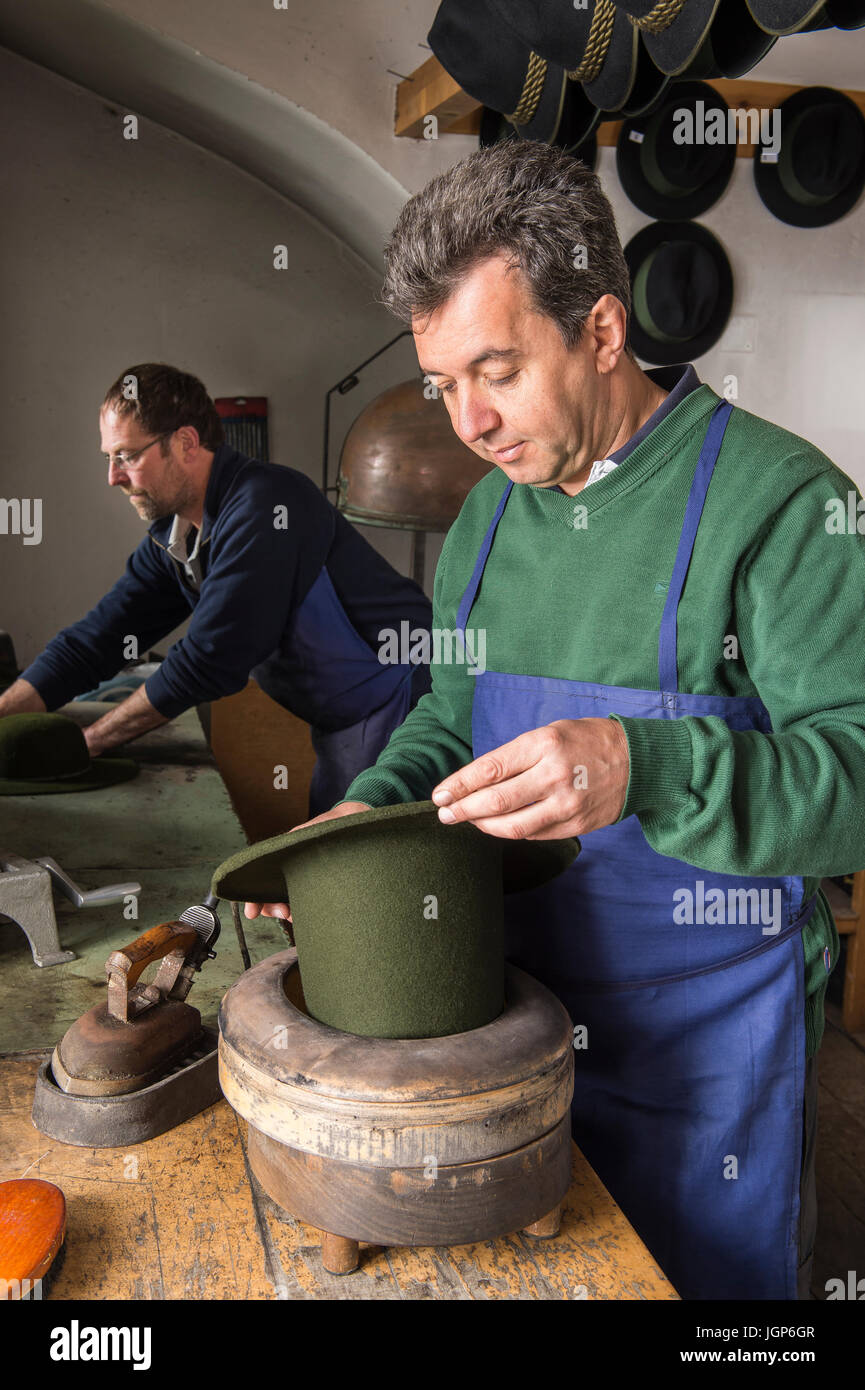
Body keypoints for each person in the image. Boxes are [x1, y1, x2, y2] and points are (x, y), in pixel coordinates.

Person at [248, 141, 865, 1300]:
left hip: (707, 1053)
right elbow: (448, 713)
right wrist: (371, 810)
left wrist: (653, 763)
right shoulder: (489, 516)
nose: (468, 421)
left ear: (599, 331)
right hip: (507, 1034)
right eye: (441, 383)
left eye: (496, 368)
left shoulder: (782, 503)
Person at [0, 364, 432, 814]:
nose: (113, 476)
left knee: (381, 870)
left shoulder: (268, 504)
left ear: (185, 442)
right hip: (343, 725)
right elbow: (98, 640)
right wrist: (5, 711)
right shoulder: (177, 534)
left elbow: (209, 658)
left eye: (127, 456)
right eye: (108, 457)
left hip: (412, 709)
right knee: (336, 867)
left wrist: (88, 743)